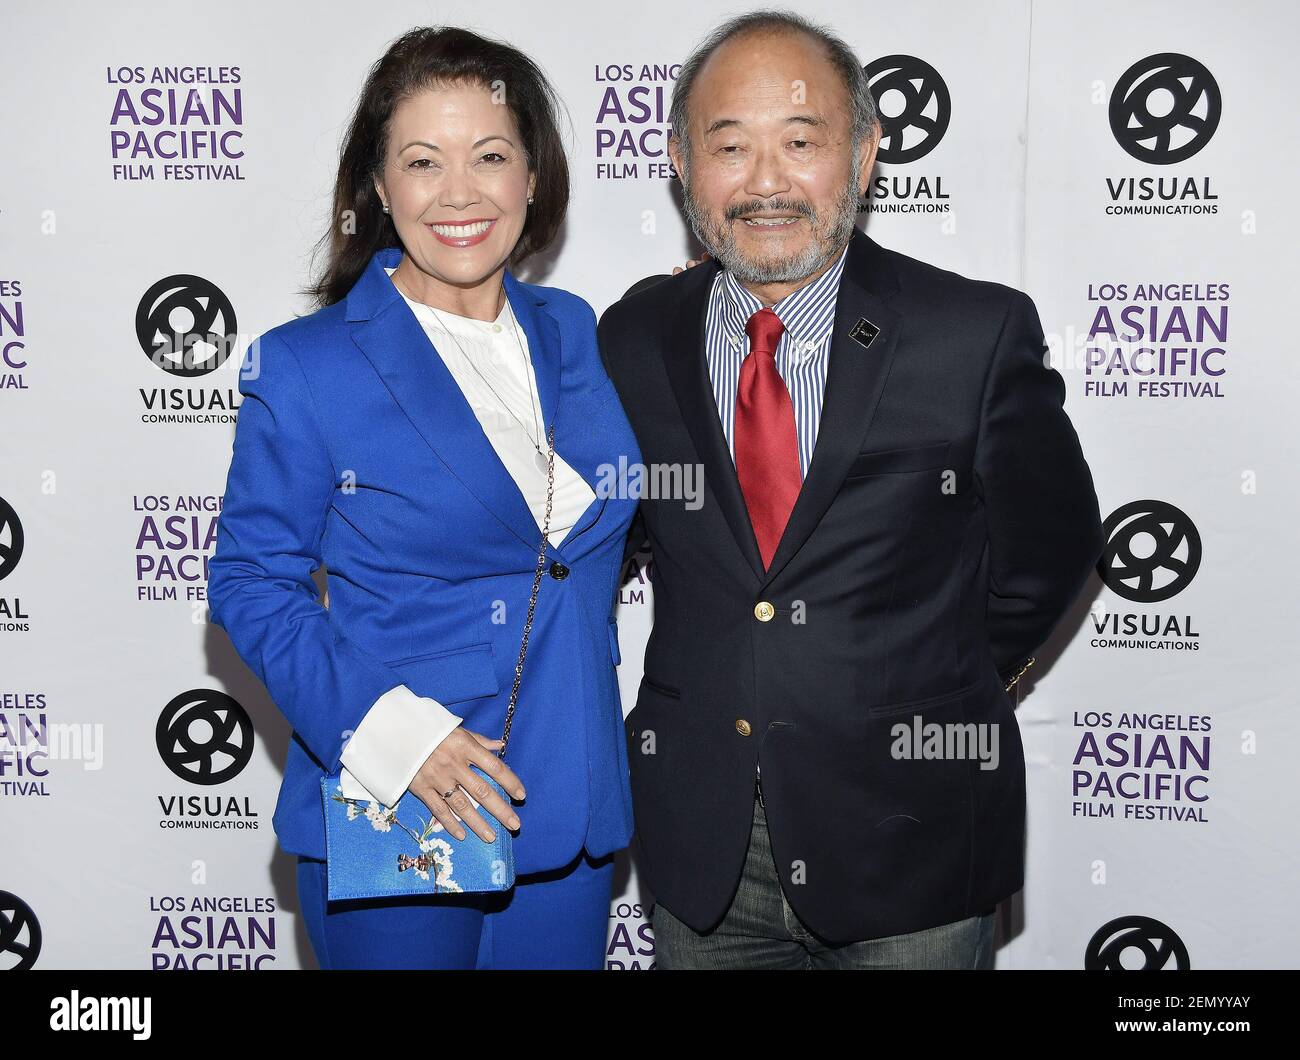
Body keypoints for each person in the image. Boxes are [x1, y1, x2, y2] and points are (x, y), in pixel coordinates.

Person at [598, 11, 1105, 969]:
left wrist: (943, 677)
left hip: (912, 834)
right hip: (701, 841)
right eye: (729, 146)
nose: (765, 182)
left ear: (865, 156)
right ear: (680, 164)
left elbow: (1053, 547)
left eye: (801, 142)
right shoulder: (632, 337)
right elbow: (612, 539)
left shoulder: (971, 334)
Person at [206, 26, 643, 969]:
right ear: (378, 185)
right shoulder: (308, 365)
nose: (459, 192)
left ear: (534, 176)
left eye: (490, 156)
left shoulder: (574, 330)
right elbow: (250, 582)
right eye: (421, 161)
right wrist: (397, 738)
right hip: (398, 804)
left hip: (567, 803)